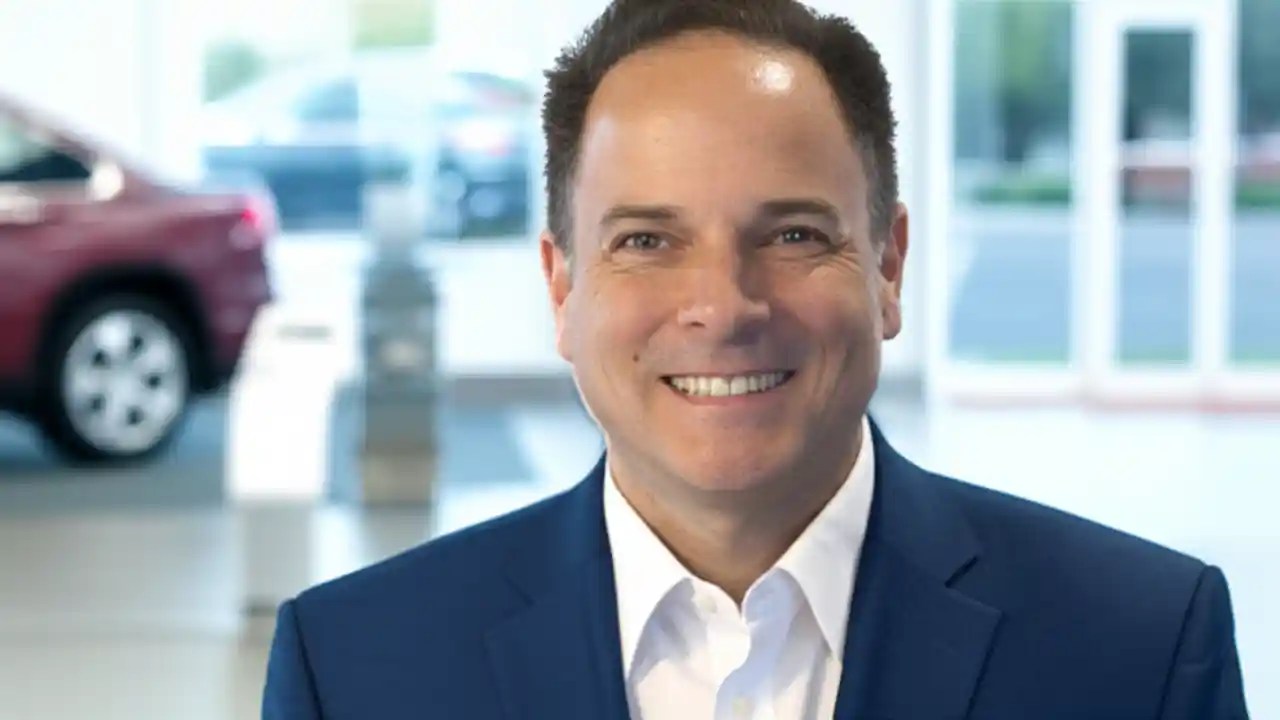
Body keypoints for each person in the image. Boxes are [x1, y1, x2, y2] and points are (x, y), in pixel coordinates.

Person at [262, 1, 1250, 718]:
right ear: (562, 289)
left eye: (791, 236)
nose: (722, 307)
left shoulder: (1140, 651)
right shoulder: (356, 672)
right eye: (646, 240)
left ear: (888, 266)